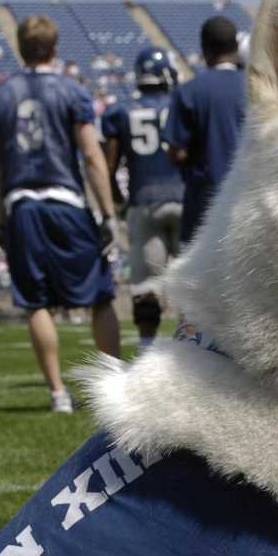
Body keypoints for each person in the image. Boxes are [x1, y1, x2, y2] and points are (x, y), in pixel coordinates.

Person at [0, 14, 121, 412]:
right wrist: (108, 213)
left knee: (36, 301)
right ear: (55, 48)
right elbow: (92, 155)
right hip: (66, 202)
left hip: (22, 202)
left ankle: (58, 391)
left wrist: (1, 214)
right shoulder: (72, 91)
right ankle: (111, 384)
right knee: (100, 294)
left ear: (20, 48)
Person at [101, 47, 186, 347]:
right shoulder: (181, 104)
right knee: (195, 281)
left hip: (143, 203)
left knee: (146, 285)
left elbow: (108, 167)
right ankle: (196, 349)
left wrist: (120, 202)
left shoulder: (121, 111)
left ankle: (147, 350)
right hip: (184, 199)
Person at [164, 16, 247, 247]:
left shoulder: (189, 92)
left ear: (204, 49)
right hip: (248, 200)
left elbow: (175, 152)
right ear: (237, 47)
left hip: (204, 204)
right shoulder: (255, 89)